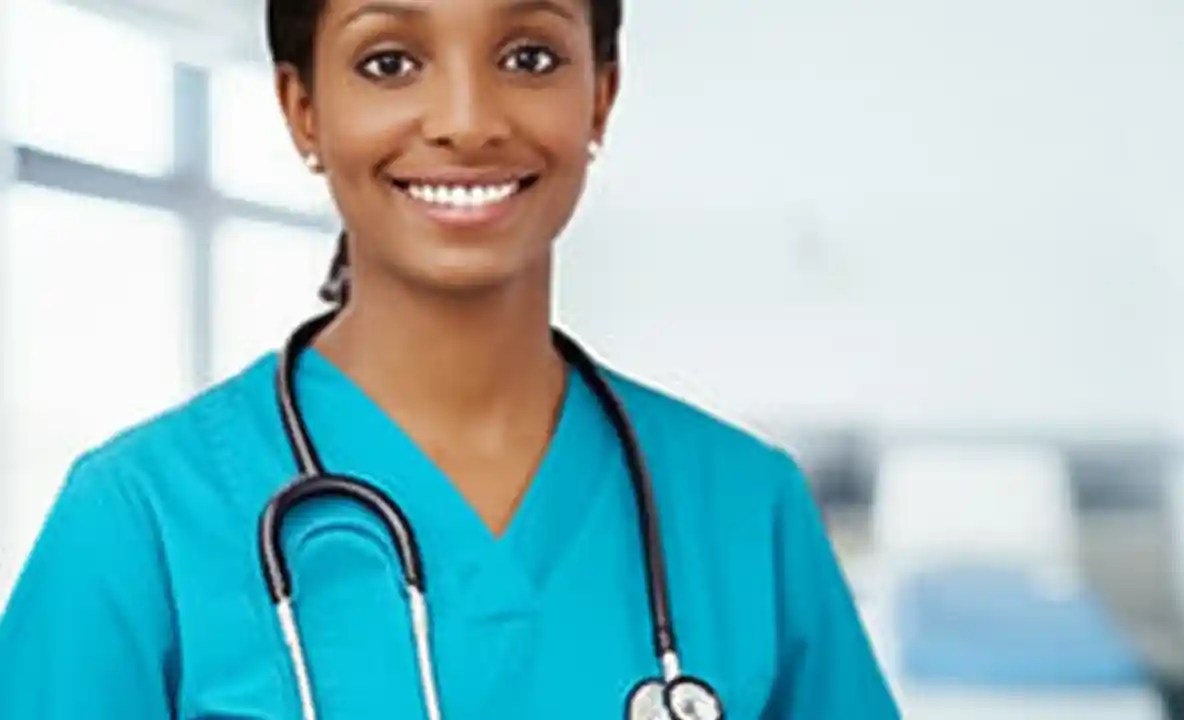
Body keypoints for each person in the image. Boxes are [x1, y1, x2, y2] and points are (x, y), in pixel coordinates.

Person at [0, 0, 899, 717]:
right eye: (389, 61)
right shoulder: (140, 518)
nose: (468, 123)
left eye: (530, 57)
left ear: (601, 97)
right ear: (302, 110)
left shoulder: (746, 506)